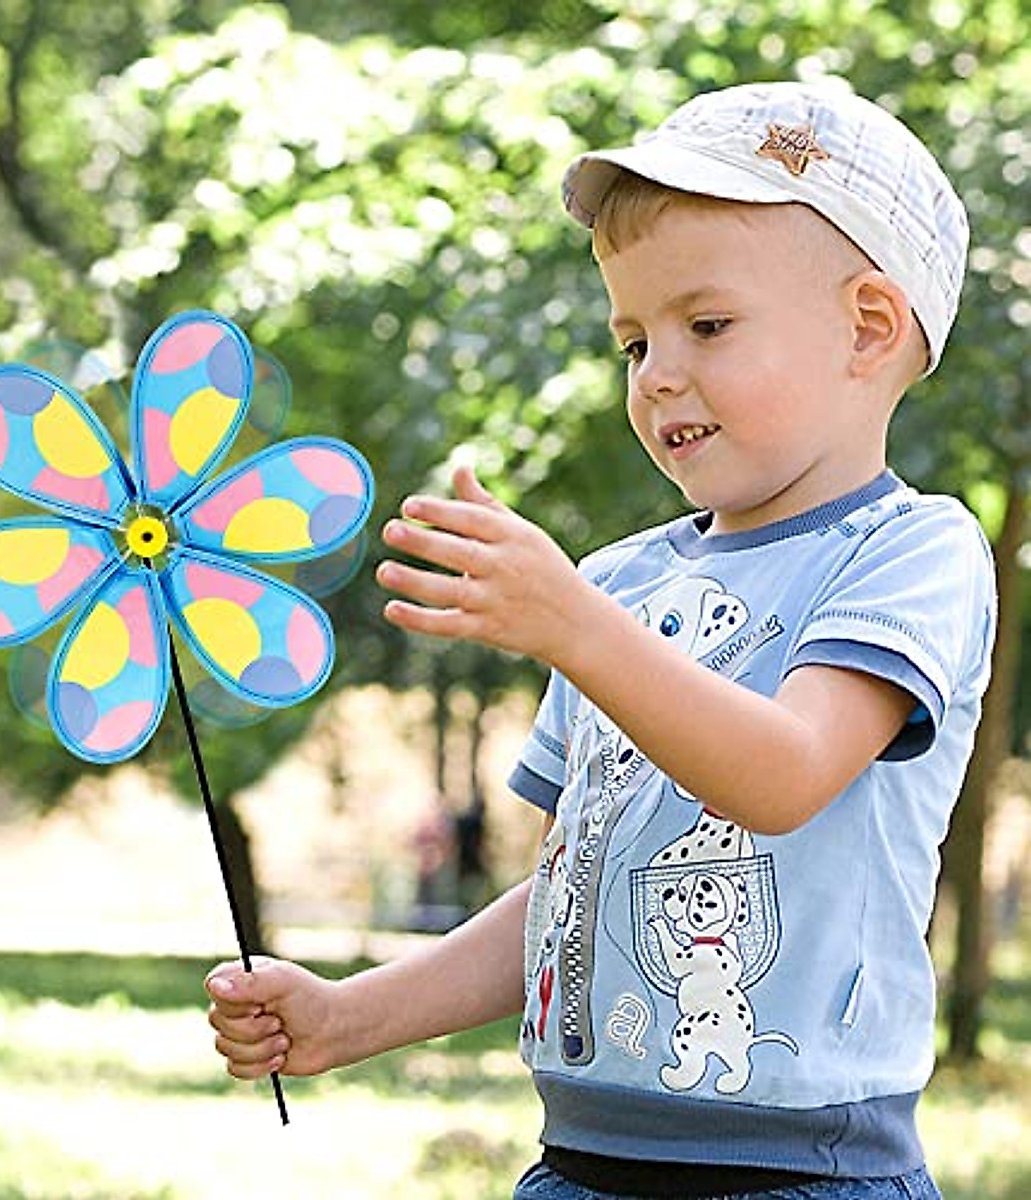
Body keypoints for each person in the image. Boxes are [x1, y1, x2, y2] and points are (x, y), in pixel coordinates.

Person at [206, 80, 996, 1199]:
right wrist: (350, 1017)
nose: (657, 373)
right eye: (633, 341)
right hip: (577, 1167)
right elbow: (570, 893)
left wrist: (576, 629)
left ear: (867, 327)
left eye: (706, 326)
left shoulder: (911, 551)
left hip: (803, 1173)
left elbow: (784, 775)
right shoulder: (620, 582)